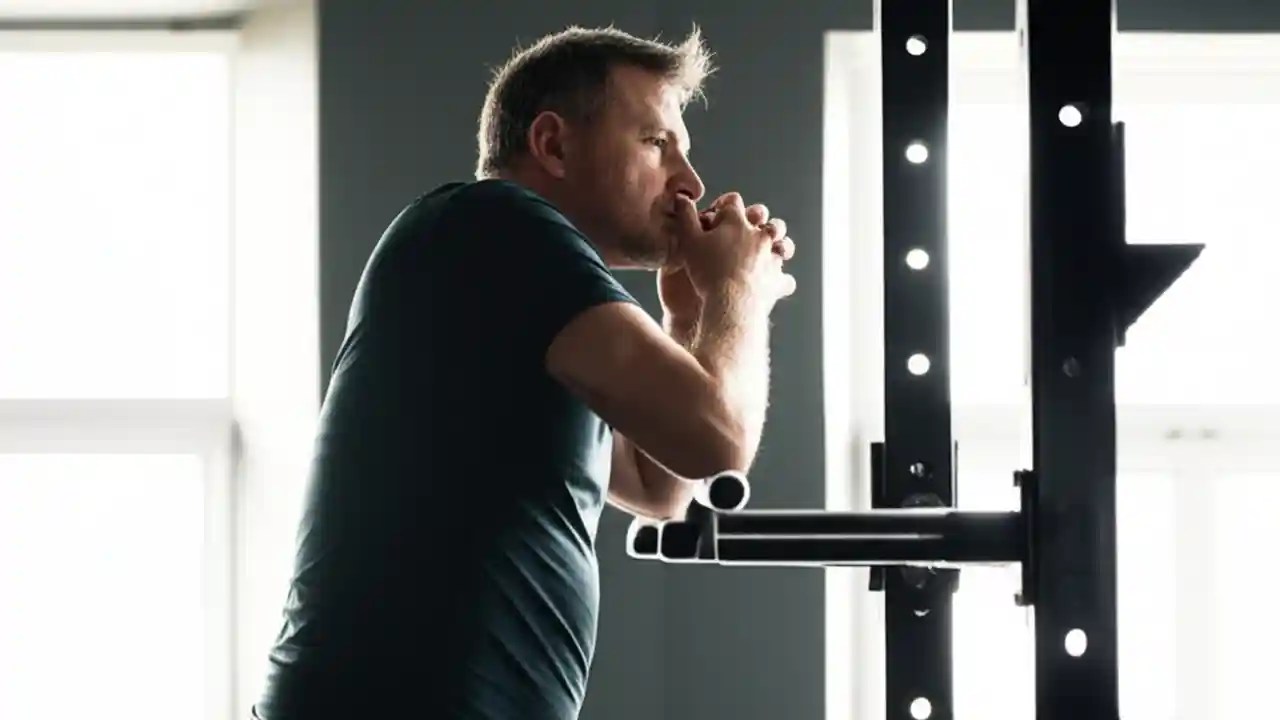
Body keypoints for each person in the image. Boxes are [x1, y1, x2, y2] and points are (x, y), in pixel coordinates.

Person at [251, 24, 796, 720]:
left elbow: (662, 484)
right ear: (552, 144)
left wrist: (690, 313)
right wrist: (738, 290)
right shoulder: (501, 226)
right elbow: (717, 442)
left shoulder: (518, 283)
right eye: (656, 142)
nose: (689, 183)